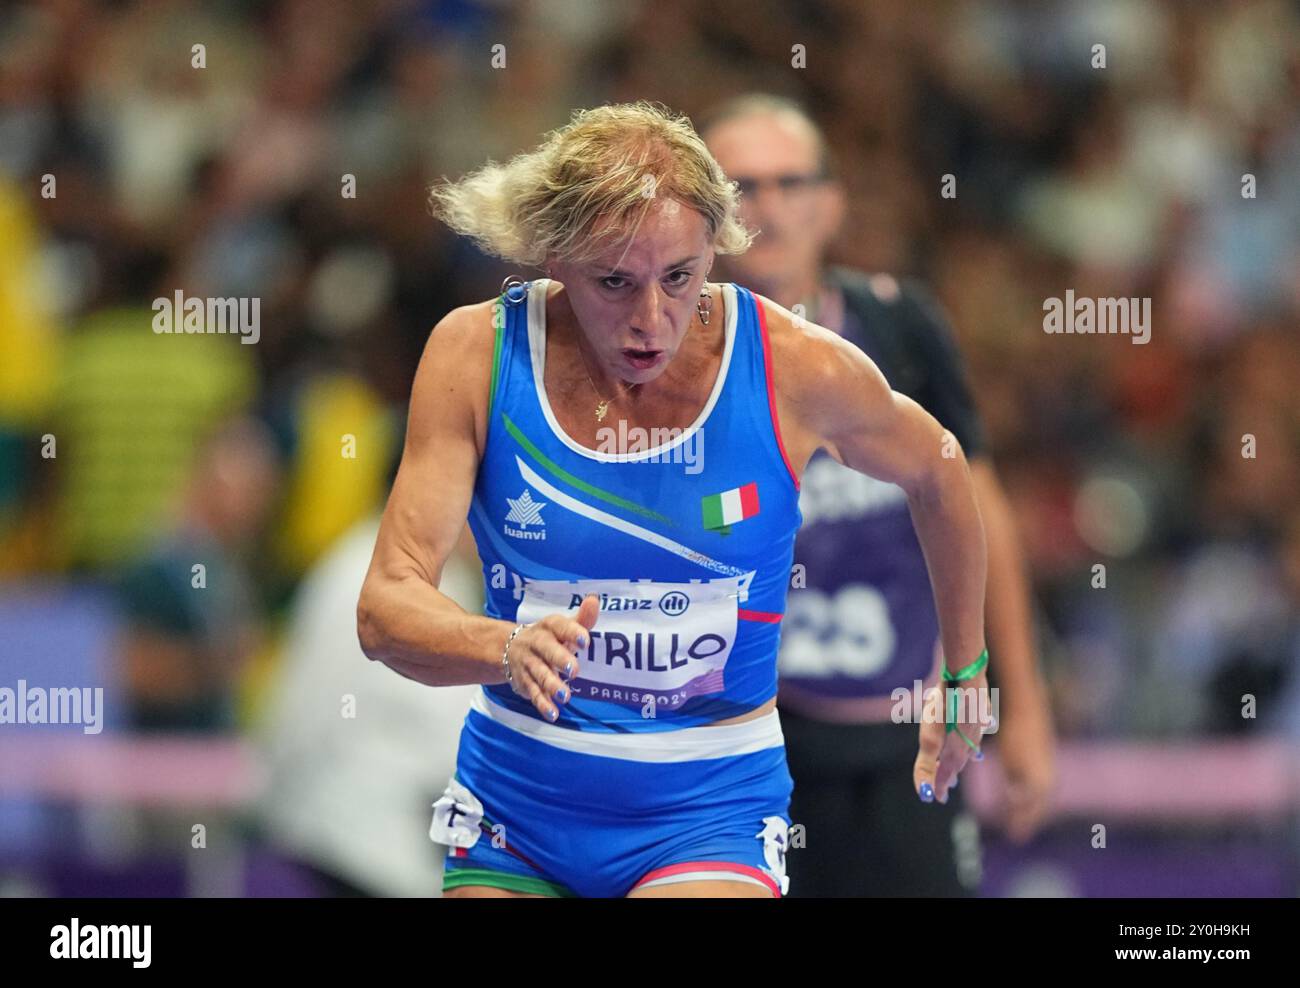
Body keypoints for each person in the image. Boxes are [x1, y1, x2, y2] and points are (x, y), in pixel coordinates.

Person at [356, 100, 993, 899]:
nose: (651, 320)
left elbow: (940, 467)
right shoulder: (474, 354)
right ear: (553, 256)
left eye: (680, 277)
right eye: (614, 281)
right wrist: (504, 647)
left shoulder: (794, 367)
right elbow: (385, 608)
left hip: (708, 811)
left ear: (715, 251)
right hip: (517, 807)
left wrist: (967, 668)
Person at [698, 93, 1056, 896]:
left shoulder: (900, 329)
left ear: (832, 204)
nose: (770, 207)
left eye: (792, 183)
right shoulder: (670, 354)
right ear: (703, 212)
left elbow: (982, 510)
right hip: (742, 749)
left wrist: (1021, 707)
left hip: (904, 743)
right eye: (741, 186)